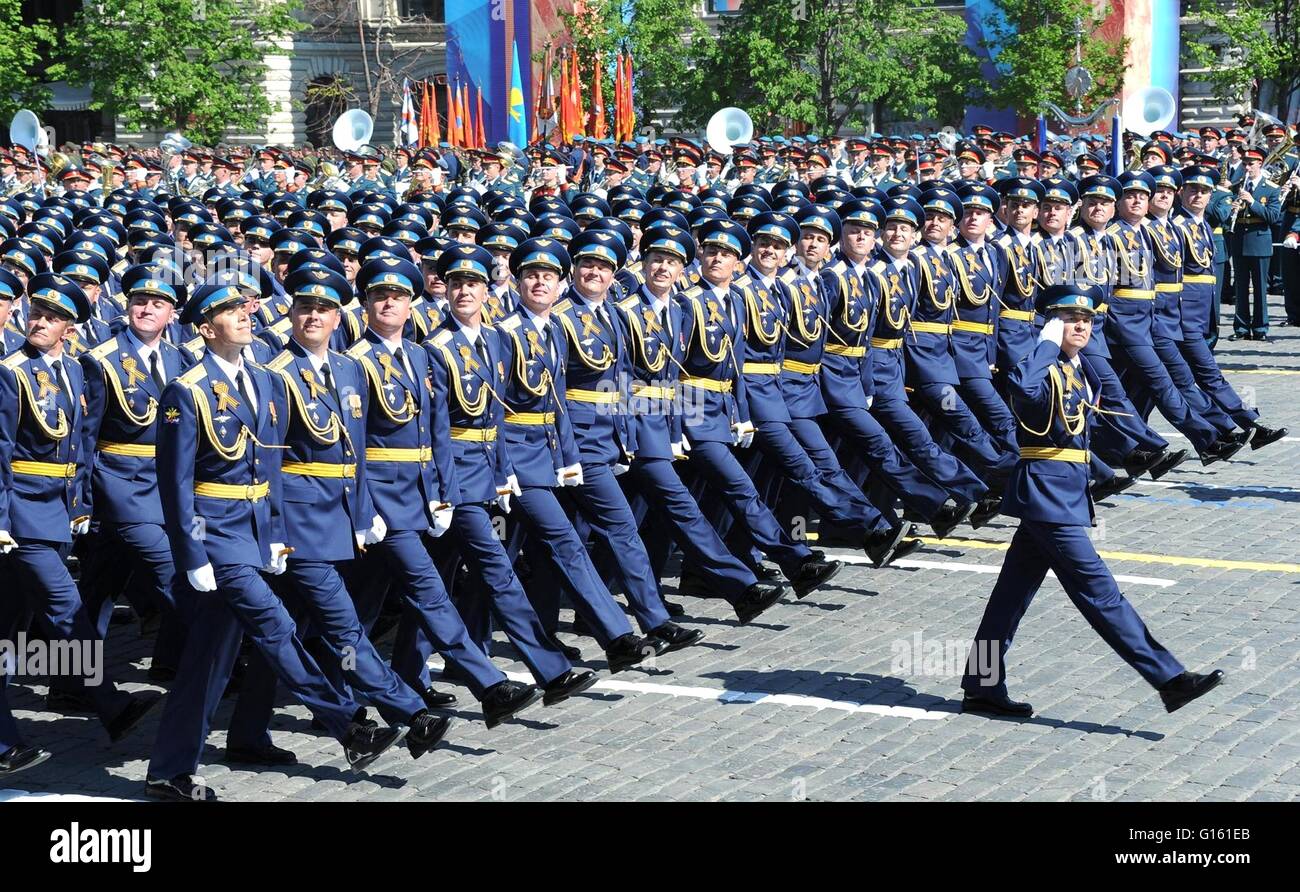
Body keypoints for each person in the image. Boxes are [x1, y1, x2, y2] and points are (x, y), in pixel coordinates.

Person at [960, 282, 1224, 717]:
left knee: (1009, 598)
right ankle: (1169, 679)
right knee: (1100, 592)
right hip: (1047, 497)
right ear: (1048, 325)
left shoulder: (1075, 368)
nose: (1080, 326)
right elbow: (1023, 391)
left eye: (1086, 320)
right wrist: (1045, 345)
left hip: (1060, 494)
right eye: (1068, 319)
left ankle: (981, 685)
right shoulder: (1039, 365)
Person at [0, 273, 161, 776]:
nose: (40, 322)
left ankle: (3, 740)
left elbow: (78, 444)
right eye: (36, 314)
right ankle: (110, 705)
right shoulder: (10, 372)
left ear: (70, 326)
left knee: (8, 633)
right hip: (20, 513)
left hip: (53, 510)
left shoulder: (72, 370)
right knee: (67, 607)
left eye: (53, 318)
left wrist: (78, 504)